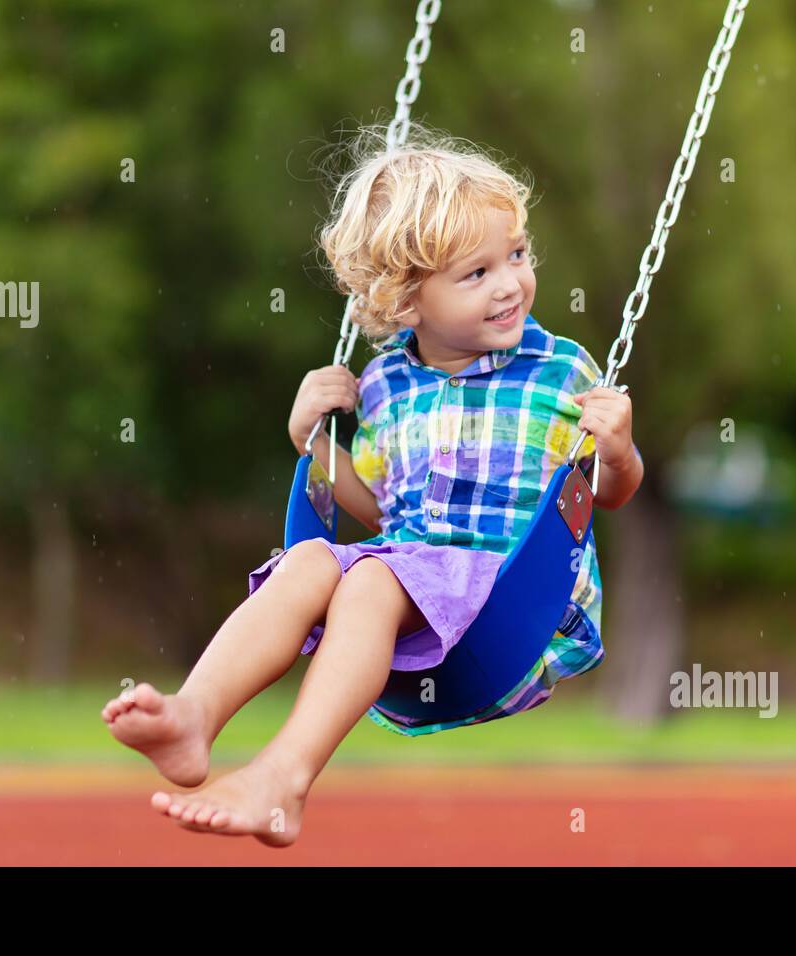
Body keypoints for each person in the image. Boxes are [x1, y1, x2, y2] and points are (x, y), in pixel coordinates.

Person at [101, 123, 643, 847]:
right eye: (476, 274)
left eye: (516, 254)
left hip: (518, 609)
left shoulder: (561, 371)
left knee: (369, 582)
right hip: (417, 588)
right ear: (406, 301)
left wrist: (620, 450)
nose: (511, 283)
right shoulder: (385, 383)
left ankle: (283, 778)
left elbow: (601, 496)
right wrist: (314, 443)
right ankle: (195, 716)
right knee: (312, 561)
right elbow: (379, 506)